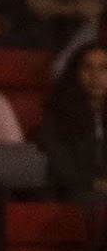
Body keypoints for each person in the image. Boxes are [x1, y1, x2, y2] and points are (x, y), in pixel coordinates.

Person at [40, 42, 107, 202]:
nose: (95, 75)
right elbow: (62, 170)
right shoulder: (58, 117)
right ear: (75, 73)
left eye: (103, 68)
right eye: (87, 67)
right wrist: (96, 183)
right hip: (74, 193)